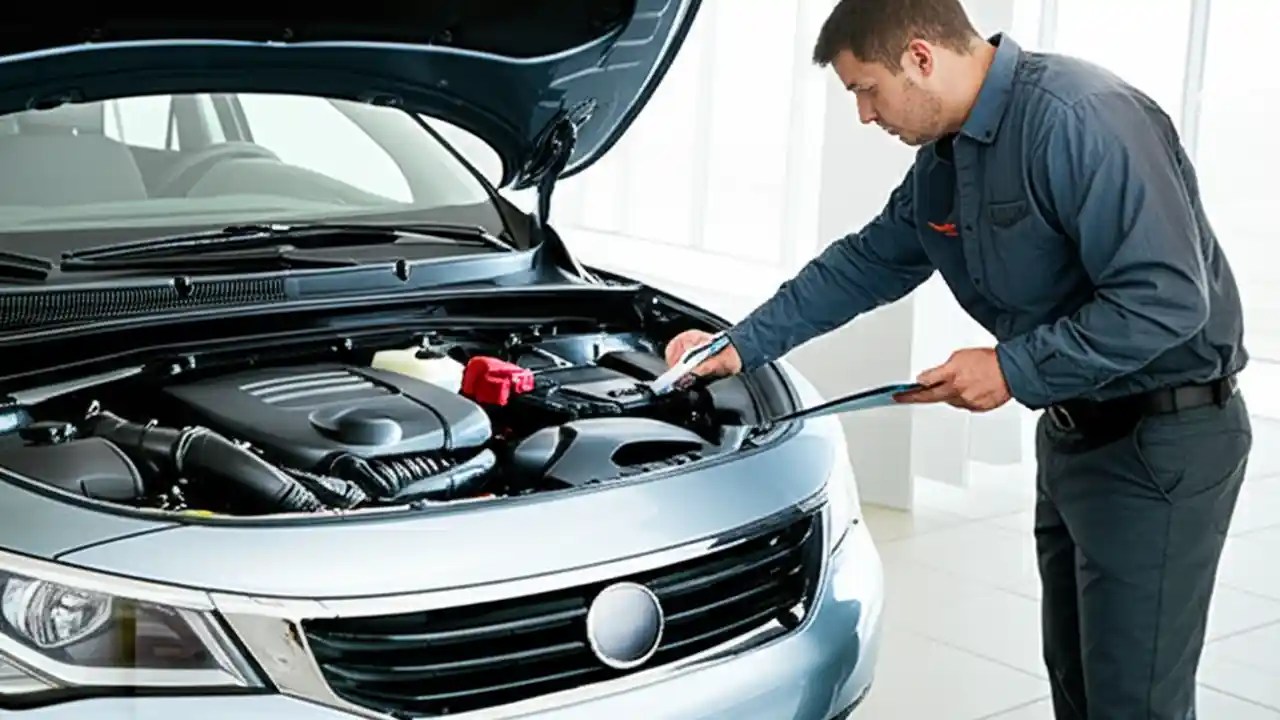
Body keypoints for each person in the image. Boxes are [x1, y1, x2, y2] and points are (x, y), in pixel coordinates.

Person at [664, 1, 1252, 718]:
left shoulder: (1080, 119)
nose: (864, 115)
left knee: (1135, 701)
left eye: (866, 89)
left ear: (920, 56)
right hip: (1074, 433)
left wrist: (1009, 369)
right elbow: (867, 262)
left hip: (1161, 444)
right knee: (1078, 682)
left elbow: (1166, 301)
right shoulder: (947, 158)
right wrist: (738, 345)